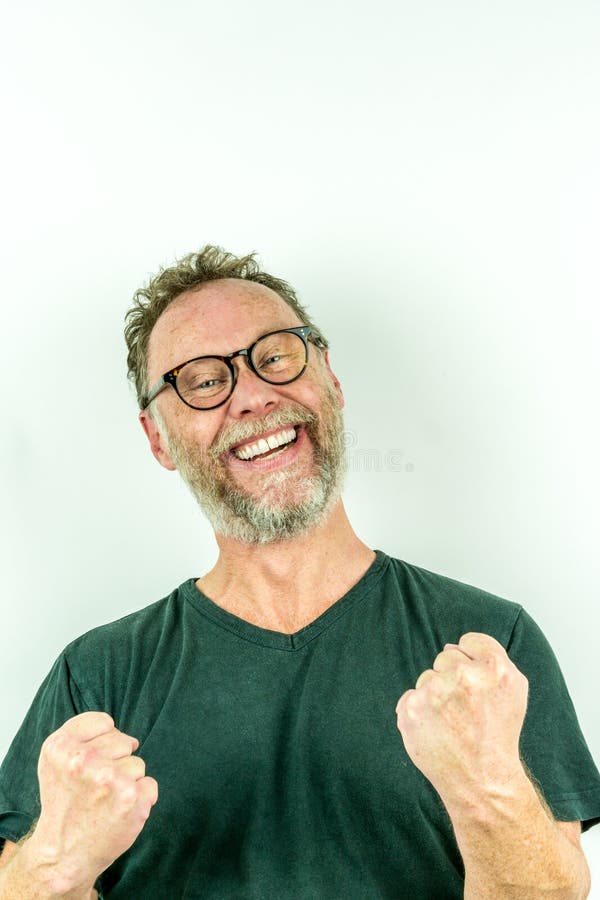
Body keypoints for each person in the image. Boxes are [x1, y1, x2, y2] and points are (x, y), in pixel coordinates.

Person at [0, 245, 599, 899]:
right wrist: (55, 861)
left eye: (276, 356)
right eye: (202, 381)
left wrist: (488, 792)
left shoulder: (487, 646)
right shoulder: (96, 676)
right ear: (157, 439)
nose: (254, 395)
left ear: (330, 381)